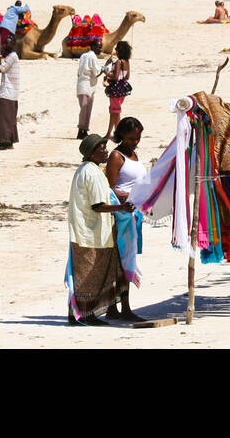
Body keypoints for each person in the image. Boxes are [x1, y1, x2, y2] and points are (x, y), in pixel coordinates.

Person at [65, 134, 134, 326]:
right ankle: (84, 314)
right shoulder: (93, 173)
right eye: (100, 148)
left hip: (85, 231)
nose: (105, 151)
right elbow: (98, 205)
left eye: (105, 147)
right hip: (90, 232)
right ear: (91, 153)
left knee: (83, 272)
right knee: (89, 273)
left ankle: (77, 313)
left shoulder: (86, 169)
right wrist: (121, 208)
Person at [104, 117, 146, 322]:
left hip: (133, 214)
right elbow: (109, 188)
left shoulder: (134, 155)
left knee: (126, 258)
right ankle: (121, 307)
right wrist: (129, 198)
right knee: (121, 260)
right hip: (121, 215)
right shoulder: (116, 156)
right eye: (131, 138)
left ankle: (118, 307)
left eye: (137, 138)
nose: (135, 142)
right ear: (121, 136)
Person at [0, 35, 20, 150]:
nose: (5, 45)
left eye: (7, 43)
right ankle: (9, 141)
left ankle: (5, 142)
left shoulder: (11, 56)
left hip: (7, 92)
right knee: (10, 119)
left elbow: (1, 69)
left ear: (13, 45)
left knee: (3, 118)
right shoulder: (13, 56)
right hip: (12, 93)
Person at [76, 38, 104, 139]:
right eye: (98, 47)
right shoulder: (92, 57)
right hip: (86, 85)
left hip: (83, 85)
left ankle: (84, 131)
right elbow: (96, 73)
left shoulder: (84, 55)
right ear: (93, 47)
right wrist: (106, 67)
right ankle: (81, 131)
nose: (100, 49)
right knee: (85, 109)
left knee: (85, 108)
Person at [104, 41, 132, 138]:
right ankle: (112, 133)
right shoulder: (127, 62)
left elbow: (115, 77)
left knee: (114, 112)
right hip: (123, 89)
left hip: (115, 90)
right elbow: (127, 77)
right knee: (114, 111)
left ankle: (117, 134)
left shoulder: (119, 62)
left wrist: (106, 72)